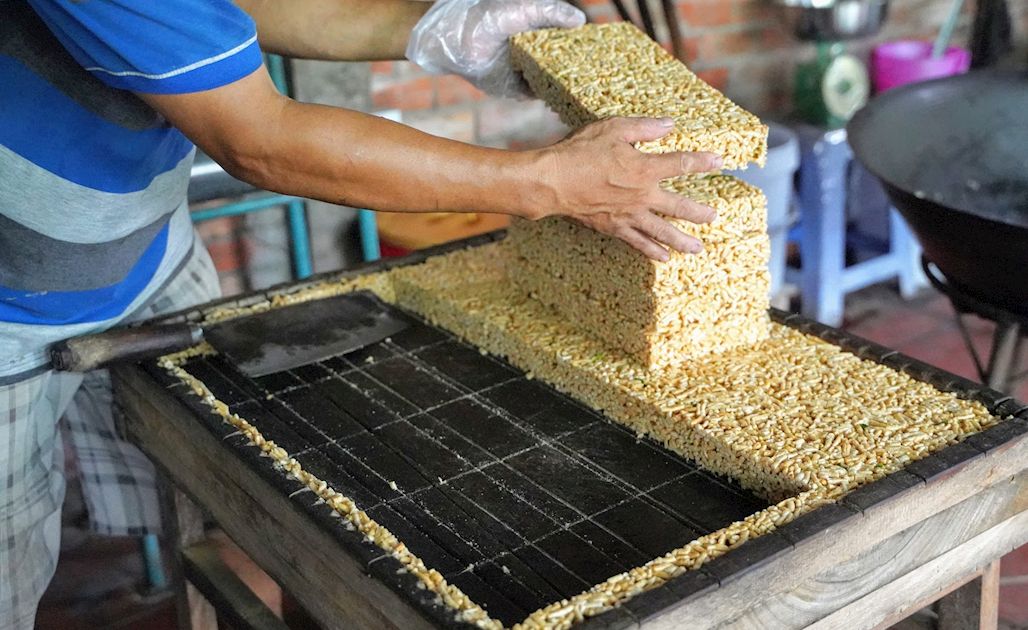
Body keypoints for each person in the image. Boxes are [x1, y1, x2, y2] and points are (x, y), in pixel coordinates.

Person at [0, 0, 723, 626]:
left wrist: (432, 27)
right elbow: (261, 140)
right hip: (9, 300)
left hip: (143, 251)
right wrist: (545, 183)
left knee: (238, 498)